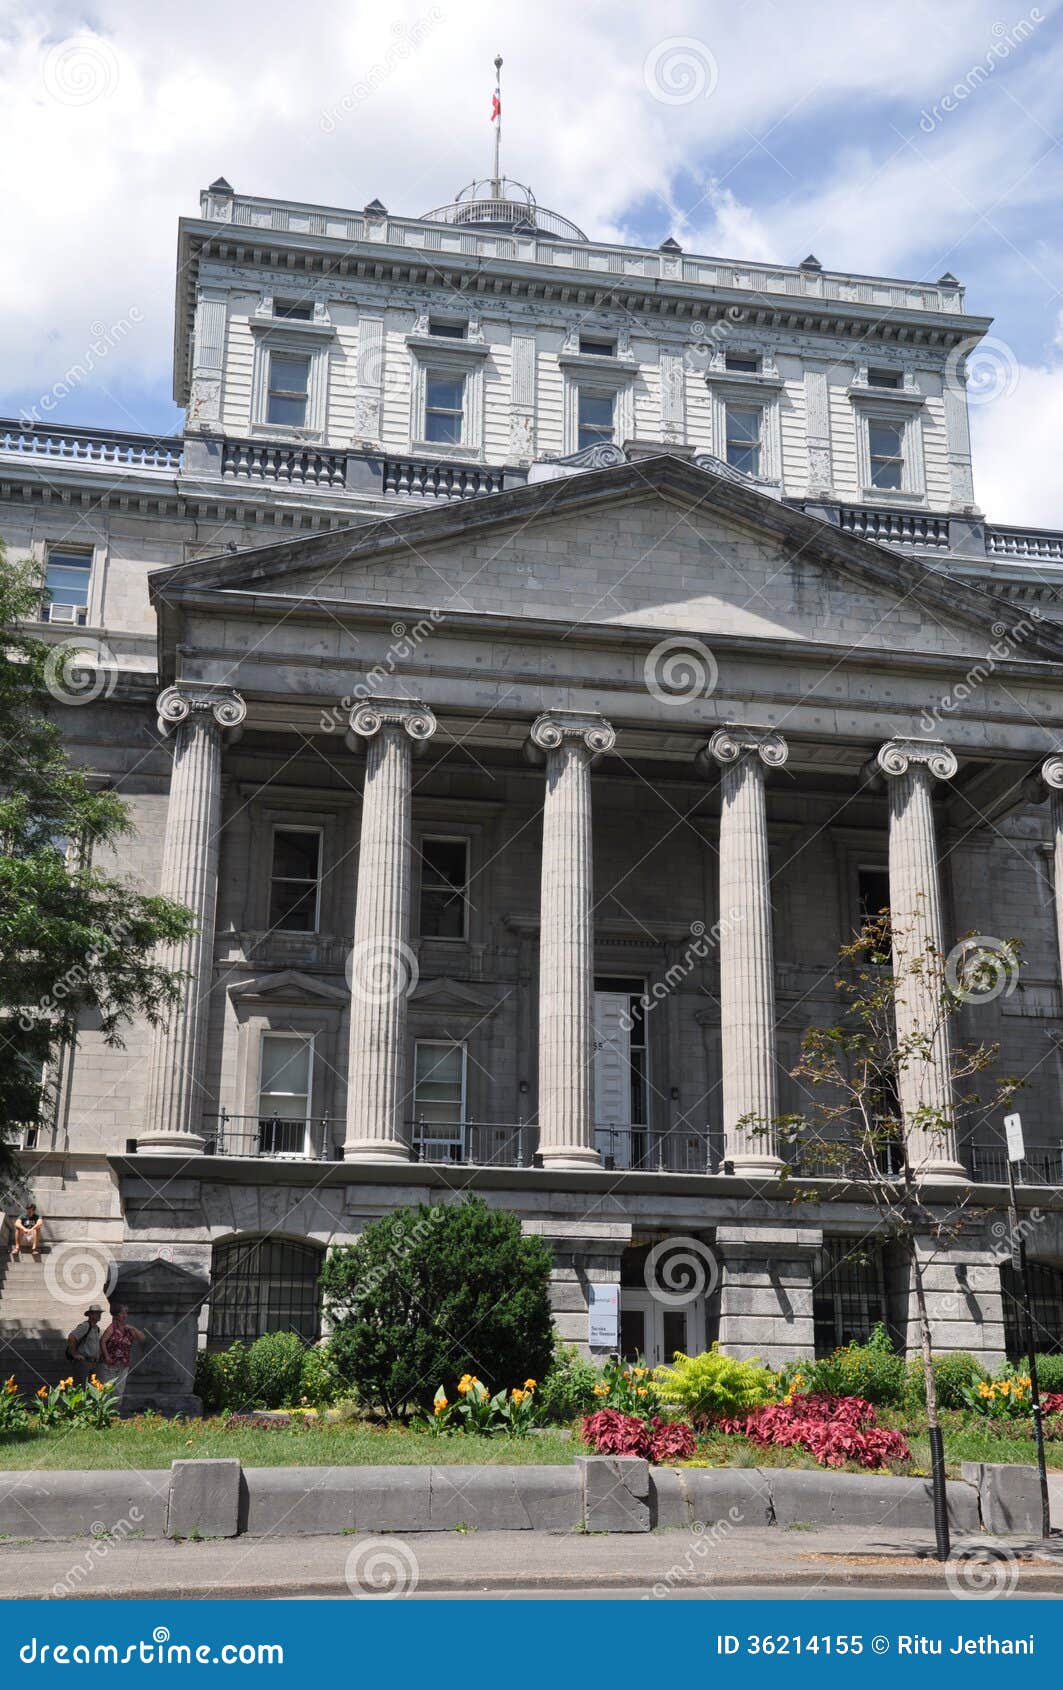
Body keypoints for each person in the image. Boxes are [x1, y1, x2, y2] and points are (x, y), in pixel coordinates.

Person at [99, 1307, 146, 1409]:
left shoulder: (129, 1330)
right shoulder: (112, 1327)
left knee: (119, 1390)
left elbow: (142, 1338)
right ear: (117, 1315)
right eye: (122, 1313)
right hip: (109, 1364)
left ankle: (115, 1412)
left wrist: (133, 1328)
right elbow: (102, 1341)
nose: (124, 1315)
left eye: (126, 1313)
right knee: (106, 1389)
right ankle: (103, 1412)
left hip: (123, 1364)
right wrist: (106, 1356)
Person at [66, 1304, 104, 1383]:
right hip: (84, 1362)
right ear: (90, 1314)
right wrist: (74, 1354)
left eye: (100, 1313)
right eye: (97, 1313)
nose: (99, 1315)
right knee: (83, 1387)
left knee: (92, 1388)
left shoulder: (96, 1328)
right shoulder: (85, 1326)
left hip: (93, 1363)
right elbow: (71, 1337)